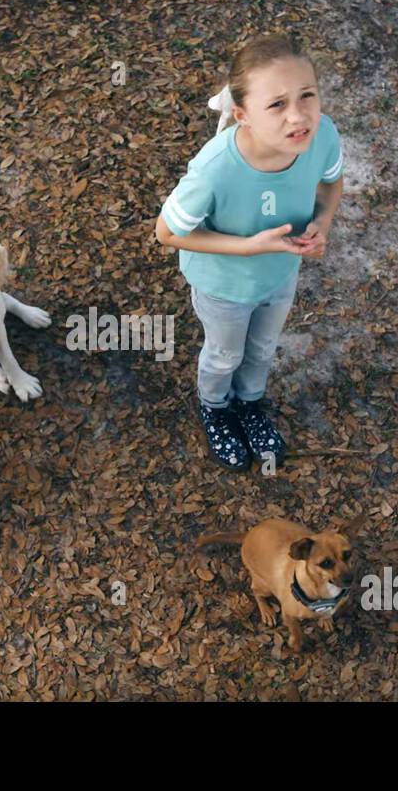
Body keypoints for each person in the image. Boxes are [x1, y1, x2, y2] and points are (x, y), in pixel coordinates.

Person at [155, 33, 345, 471]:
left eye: (307, 96)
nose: (298, 116)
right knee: (225, 354)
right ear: (241, 115)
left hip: (280, 274)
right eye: (276, 105)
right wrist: (247, 247)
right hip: (224, 286)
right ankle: (215, 408)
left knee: (262, 348)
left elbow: (332, 183)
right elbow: (166, 232)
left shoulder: (322, 135)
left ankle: (250, 403)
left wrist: (323, 221)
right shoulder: (215, 170)